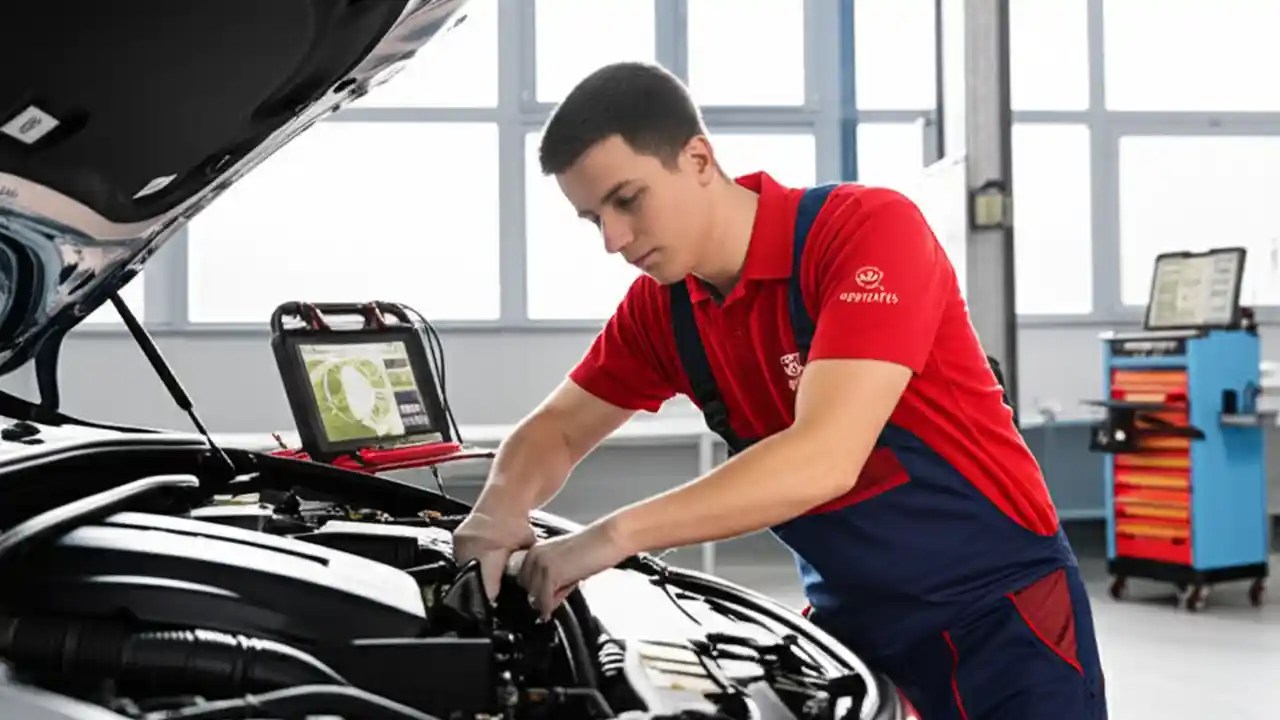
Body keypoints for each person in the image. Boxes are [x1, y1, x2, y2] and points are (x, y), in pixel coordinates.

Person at [453, 61, 1107, 719]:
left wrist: (612, 536)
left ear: (699, 159)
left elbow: (824, 458)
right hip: (851, 624)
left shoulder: (863, 230)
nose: (614, 241)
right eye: (593, 218)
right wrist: (496, 510)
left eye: (628, 200)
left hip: (998, 618)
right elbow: (557, 429)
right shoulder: (663, 310)